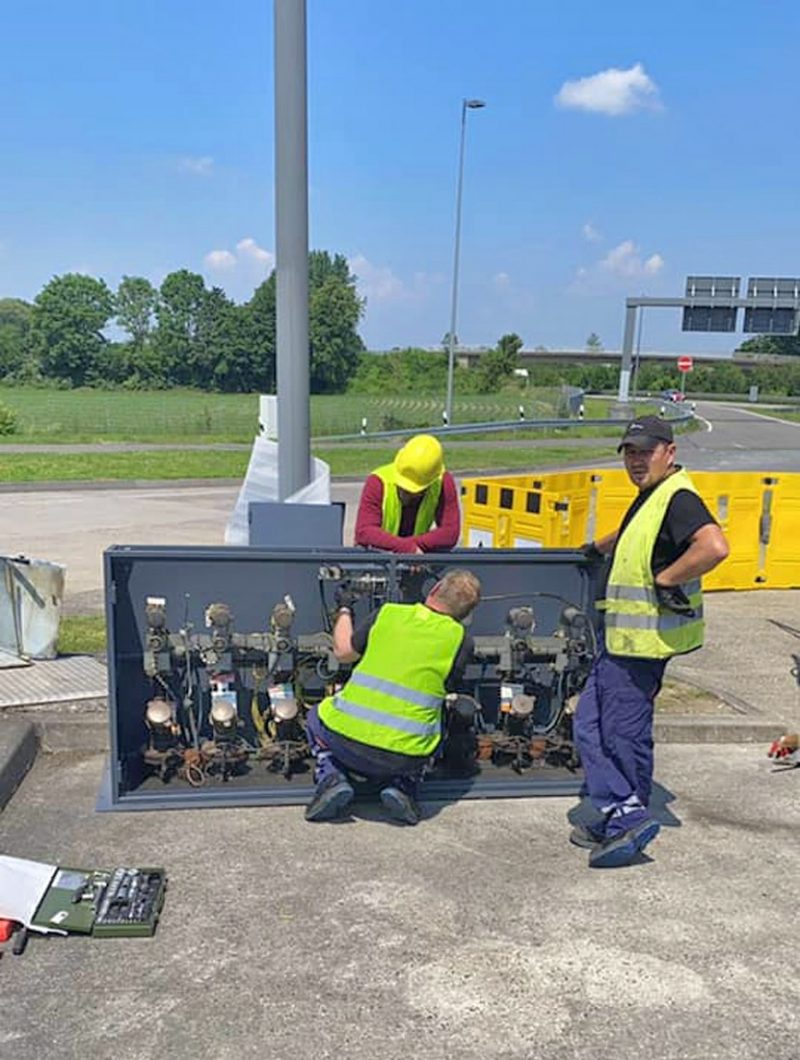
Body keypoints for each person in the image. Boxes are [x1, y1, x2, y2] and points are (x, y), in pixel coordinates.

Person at [573, 414, 729, 868]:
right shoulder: (653, 495)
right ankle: (621, 807)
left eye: (646, 451)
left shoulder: (679, 498)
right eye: (631, 452)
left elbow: (714, 547)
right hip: (621, 643)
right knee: (588, 725)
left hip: (641, 647)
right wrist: (599, 546)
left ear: (670, 452)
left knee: (621, 733)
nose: (637, 460)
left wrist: (667, 579)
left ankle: (627, 815)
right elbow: (635, 532)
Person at [304, 569, 481, 825]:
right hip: (405, 759)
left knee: (315, 715)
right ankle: (403, 785)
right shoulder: (461, 641)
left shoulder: (388, 613)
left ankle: (331, 776)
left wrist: (344, 607)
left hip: (346, 745)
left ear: (434, 590)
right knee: (442, 712)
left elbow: (343, 652)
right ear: (466, 615)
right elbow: (445, 687)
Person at [354, 434, 460, 554]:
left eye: (412, 491)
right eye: (403, 487)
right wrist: (407, 548)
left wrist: (413, 548)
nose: (406, 493)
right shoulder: (378, 481)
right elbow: (364, 532)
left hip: (417, 560)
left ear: (429, 483)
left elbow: (450, 533)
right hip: (378, 558)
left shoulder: (443, 482)